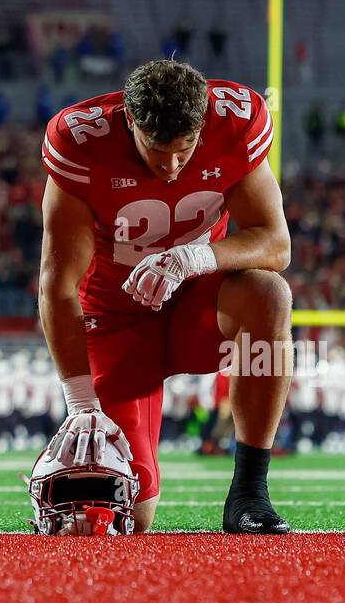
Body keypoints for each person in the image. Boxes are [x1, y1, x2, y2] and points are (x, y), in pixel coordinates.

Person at [37, 58, 292, 533]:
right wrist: (81, 403)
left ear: (203, 125)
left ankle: (250, 494)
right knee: (129, 514)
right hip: (115, 321)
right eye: (158, 150)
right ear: (130, 121)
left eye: (186, 149)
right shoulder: (81, 143)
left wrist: (190, 260)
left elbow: (276, 243)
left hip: (198, 307)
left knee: (268, 295)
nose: (172, 166)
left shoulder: (233, 124)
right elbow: (57, 283)